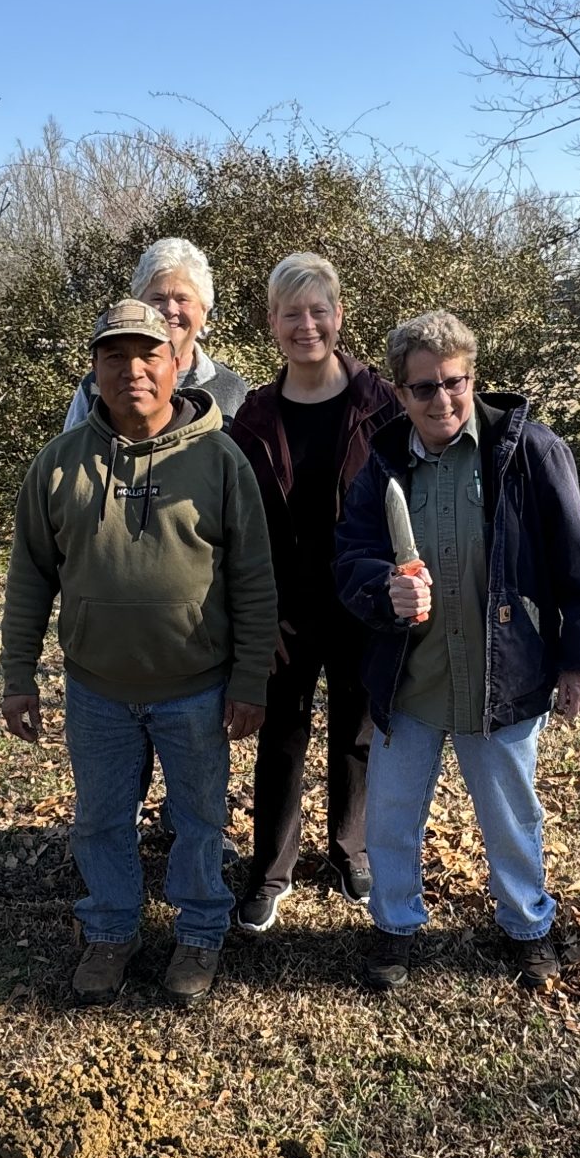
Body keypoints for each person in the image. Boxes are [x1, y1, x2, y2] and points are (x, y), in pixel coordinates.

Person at [1, 298, 276, 1007]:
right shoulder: (58, 465)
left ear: (177, 362)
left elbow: (252, 578)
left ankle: (200, 932)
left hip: (197, 687)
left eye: (147, 354)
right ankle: (113, 929)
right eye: (114, 356)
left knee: (198, 819)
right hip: (97, 689)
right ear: (94, 370)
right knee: (99, 819)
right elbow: (31, 573)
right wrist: (18, 675)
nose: (132, 370)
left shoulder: (220, 460)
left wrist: (250, 679)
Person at [334, 311, 580, 991]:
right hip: (411, 679)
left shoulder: (529, 452)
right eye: (424, 388)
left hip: (505, 672)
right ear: (399, 393)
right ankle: (394, 926)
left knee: (511, 815)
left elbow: (579, 560)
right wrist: (382, 589)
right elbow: (350, 558)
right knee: (394, 816)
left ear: (473, 377)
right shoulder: (383, 465)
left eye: (454, 382)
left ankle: (527, 925)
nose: (443, 400)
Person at [228, 253, 400, 931]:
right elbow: (238, 530)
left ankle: (350, 851)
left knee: (358, 732)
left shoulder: (380, 404)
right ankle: (271, 870)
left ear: (339, 315)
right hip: (284, 608)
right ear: (272, 322)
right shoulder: (254, 417)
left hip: (363, 605)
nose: (307, 326)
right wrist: (253, 617)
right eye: (292, 313)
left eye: (318, 310)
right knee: (282, 737)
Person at [62, 238, 248, 430]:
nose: (170, 309)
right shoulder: (96, 386)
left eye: (182, 299)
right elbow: (71, 453)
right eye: (158, 298)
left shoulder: (231, 389)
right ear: (138, 304)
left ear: (204, 313)